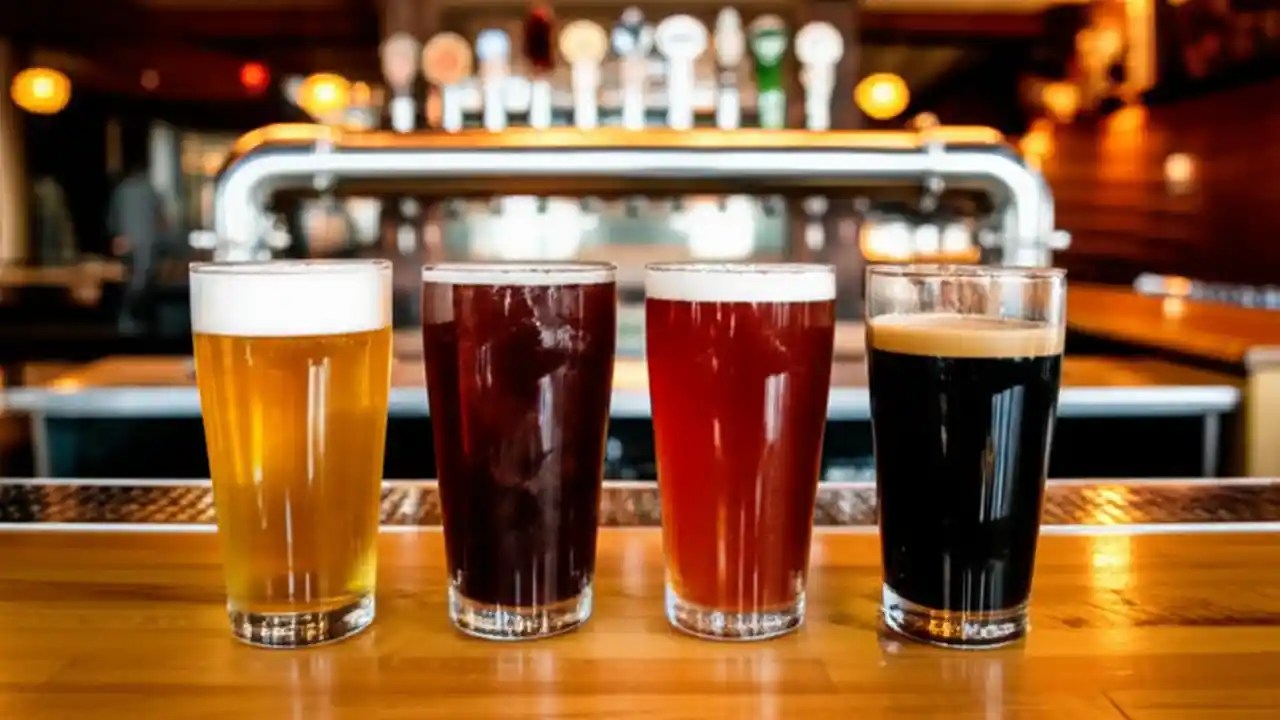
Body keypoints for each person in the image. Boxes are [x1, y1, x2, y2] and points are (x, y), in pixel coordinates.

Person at [107, 161, 167, 333]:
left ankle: (129, 322)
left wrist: (117, 237)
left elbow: (113, 220)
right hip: (146, 244)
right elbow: (162, 219)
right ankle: (137, 322)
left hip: (131, 243)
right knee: (142, 282)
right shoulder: (150, 191)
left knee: (132, 282)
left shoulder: (122, 191)